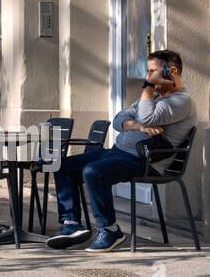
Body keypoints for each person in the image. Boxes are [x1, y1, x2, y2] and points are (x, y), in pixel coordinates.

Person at [48, 50, 196, 252]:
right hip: (118, 151)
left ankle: (110, 230)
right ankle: (71, 224)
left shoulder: (181, 100)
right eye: (147, 71)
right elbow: (118, 119)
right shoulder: (151, 98)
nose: (148, 76)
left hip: (145, 161)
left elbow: (147, 118)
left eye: (153, 71)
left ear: (171, 71)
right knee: (62, 166)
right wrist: (137, 127)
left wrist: (147, 91)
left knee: (93, 172)